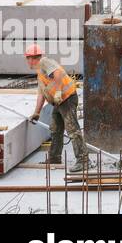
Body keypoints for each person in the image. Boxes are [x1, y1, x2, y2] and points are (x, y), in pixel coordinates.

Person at [26, 44, 86, 173]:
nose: (27, 61)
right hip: (59, 103)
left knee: (73, 130)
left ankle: (83, 160)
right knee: (55, 129)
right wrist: (36, 113)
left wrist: (58, 92)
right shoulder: (40, 73)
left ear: (32, 58)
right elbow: (41, 95)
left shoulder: (44, 62)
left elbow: (58, 73)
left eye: (28, 58)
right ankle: (54, 158)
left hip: (67, 99)